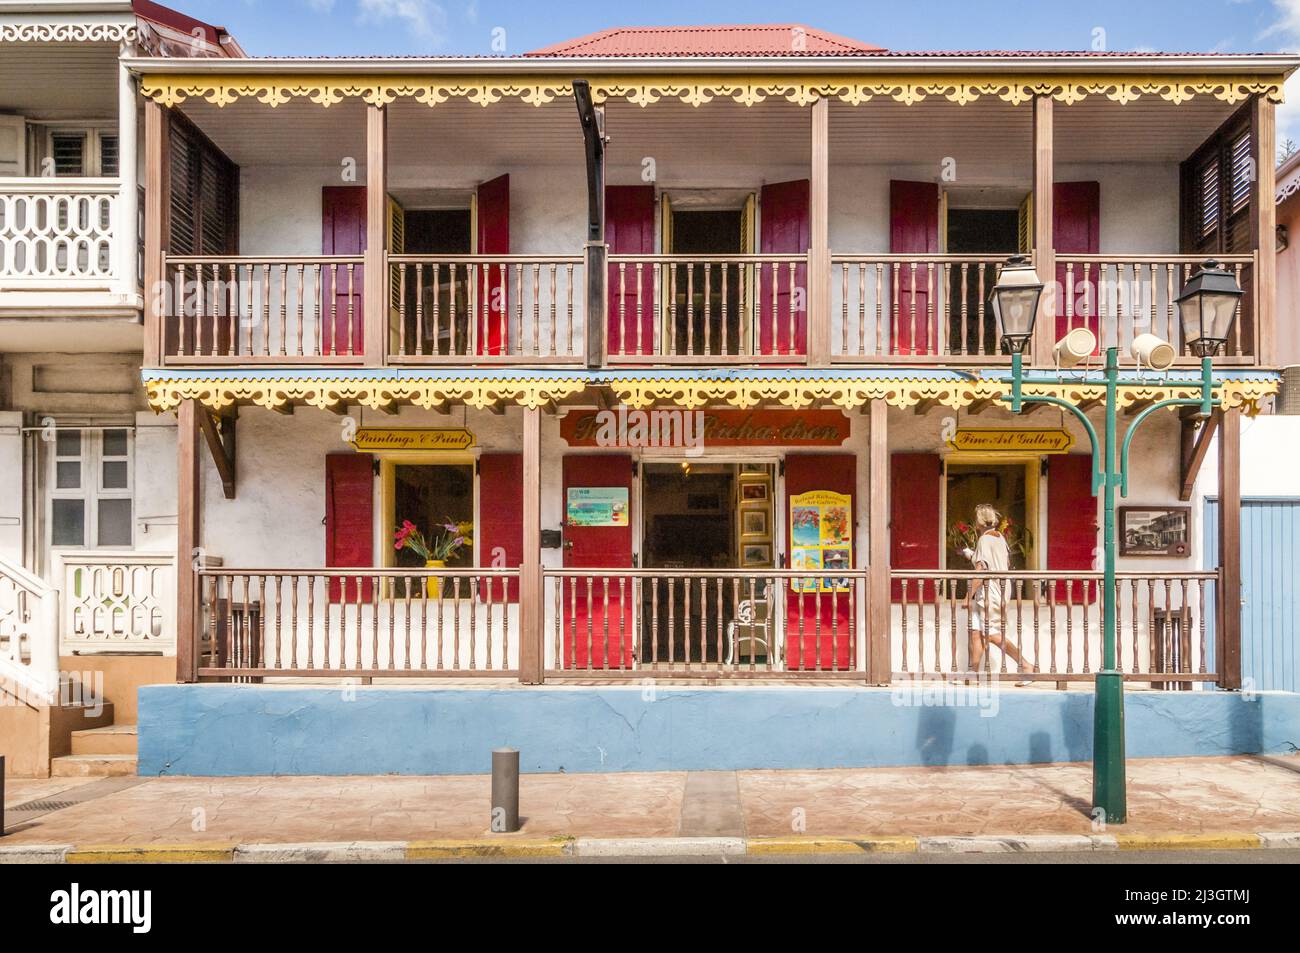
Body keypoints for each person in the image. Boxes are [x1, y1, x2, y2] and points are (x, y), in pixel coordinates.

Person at [963, 503, 1037, 685]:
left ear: (978, 523)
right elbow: (998, 562)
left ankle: (1026, 666)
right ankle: (973, 674)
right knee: (976, 633)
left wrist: (967, 596)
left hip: (991, 592)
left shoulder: (984, 540)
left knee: (991, 634)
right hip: (997, 590)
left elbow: (982, 570)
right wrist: (972, 556)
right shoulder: (1000, 538)